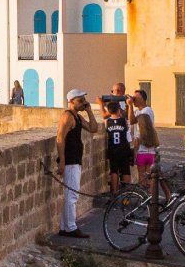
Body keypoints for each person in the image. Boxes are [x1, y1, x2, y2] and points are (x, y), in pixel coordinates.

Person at [54, 90, 99, 236]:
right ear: (71, 101)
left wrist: (90, 112)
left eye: (84, 100)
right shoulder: (67, 117)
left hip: (75, 160)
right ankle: (71, 228)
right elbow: (60, 138)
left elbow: (93, 128)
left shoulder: (77, 117)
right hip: (70, 160)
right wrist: (62, 160)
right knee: (72, 195)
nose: (83, 103)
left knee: (70, 194)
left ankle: (64, 226)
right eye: (80, 101)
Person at [129, 88, 162, 200]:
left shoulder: (146, 111)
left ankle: (146, 199)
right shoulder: (140, 111)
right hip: (150, 151)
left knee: (143, 177)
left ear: (143, 99)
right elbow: (130, 118)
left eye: (136, 98)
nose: (134, 100)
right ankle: (150, 199)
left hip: (143, 150)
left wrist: (129, 105)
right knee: (147, 176)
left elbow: (132, 121)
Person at [102, 97, 133, 194]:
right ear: (119, 109)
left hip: (112, 149)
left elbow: (104, 118)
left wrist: (101, 105)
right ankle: (126, 192)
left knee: (114, 171)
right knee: (125, 170)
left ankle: (114, 191)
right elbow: (127, 127)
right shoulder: (123, 121)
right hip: (123, 148)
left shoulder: (107, 122)